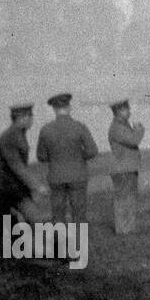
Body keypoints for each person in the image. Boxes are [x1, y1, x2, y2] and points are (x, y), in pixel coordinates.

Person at [36, 93, 98, 222]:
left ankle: (60, 241)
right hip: (78, 175)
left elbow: (41, 156)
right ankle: (80, 240)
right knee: (79, 211)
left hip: (56, 176)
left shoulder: (45, 129)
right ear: (69, 107)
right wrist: (78, 157)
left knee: (57, 212)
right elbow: (92, 151)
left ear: (54, 109)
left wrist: (55, 157)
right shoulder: (79, 127)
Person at [0, 104, 45, 226]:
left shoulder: (18, 134)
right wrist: (36, 185)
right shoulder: (9, 136)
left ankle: (57, 244)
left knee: (36, 219)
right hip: (2, 190)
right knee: (4, 228)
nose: (32, 120)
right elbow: (16, 165)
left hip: (15, 189)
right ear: (20, 118)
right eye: (29, 117)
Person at [107, 99, 146, 234]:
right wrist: (139, 129)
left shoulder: (121, 125)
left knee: (128, 199)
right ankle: (124, 230)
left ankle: (128, 229)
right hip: (123, 168)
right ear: (118, 111)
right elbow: (134, 140)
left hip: (126, 168)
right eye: (126, 109)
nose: (129, 111)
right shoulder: (118, 127)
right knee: (124, 199)